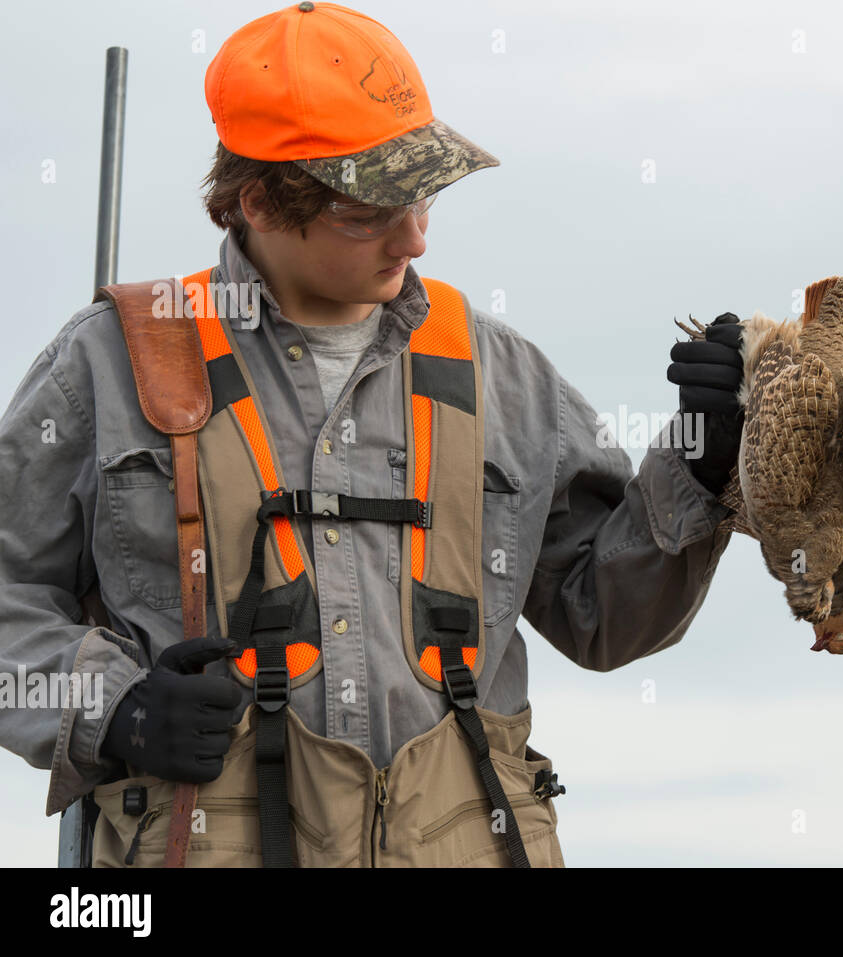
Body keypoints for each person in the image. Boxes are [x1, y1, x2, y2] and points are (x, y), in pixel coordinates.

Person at [0, 2, 745, 867]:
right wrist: (114, 708)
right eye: (372, 208)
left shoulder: (498, 372)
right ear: (259, 203)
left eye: (423, 193)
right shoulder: (112, 364)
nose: (416, 235)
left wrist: (700, 458)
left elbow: (605, 619)